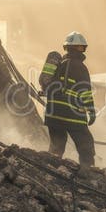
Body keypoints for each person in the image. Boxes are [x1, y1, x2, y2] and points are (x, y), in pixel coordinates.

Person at [43, 31, 96, 167]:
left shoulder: (59, 64)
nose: (82, 50)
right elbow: (85, 92)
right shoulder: (81, 67)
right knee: (86, 144)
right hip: (72, 116)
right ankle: (88, 172)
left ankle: (50, 170)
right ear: (78, 48)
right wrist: (91, 111)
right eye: (81, 47)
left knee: (56, 147)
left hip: (53, 115)